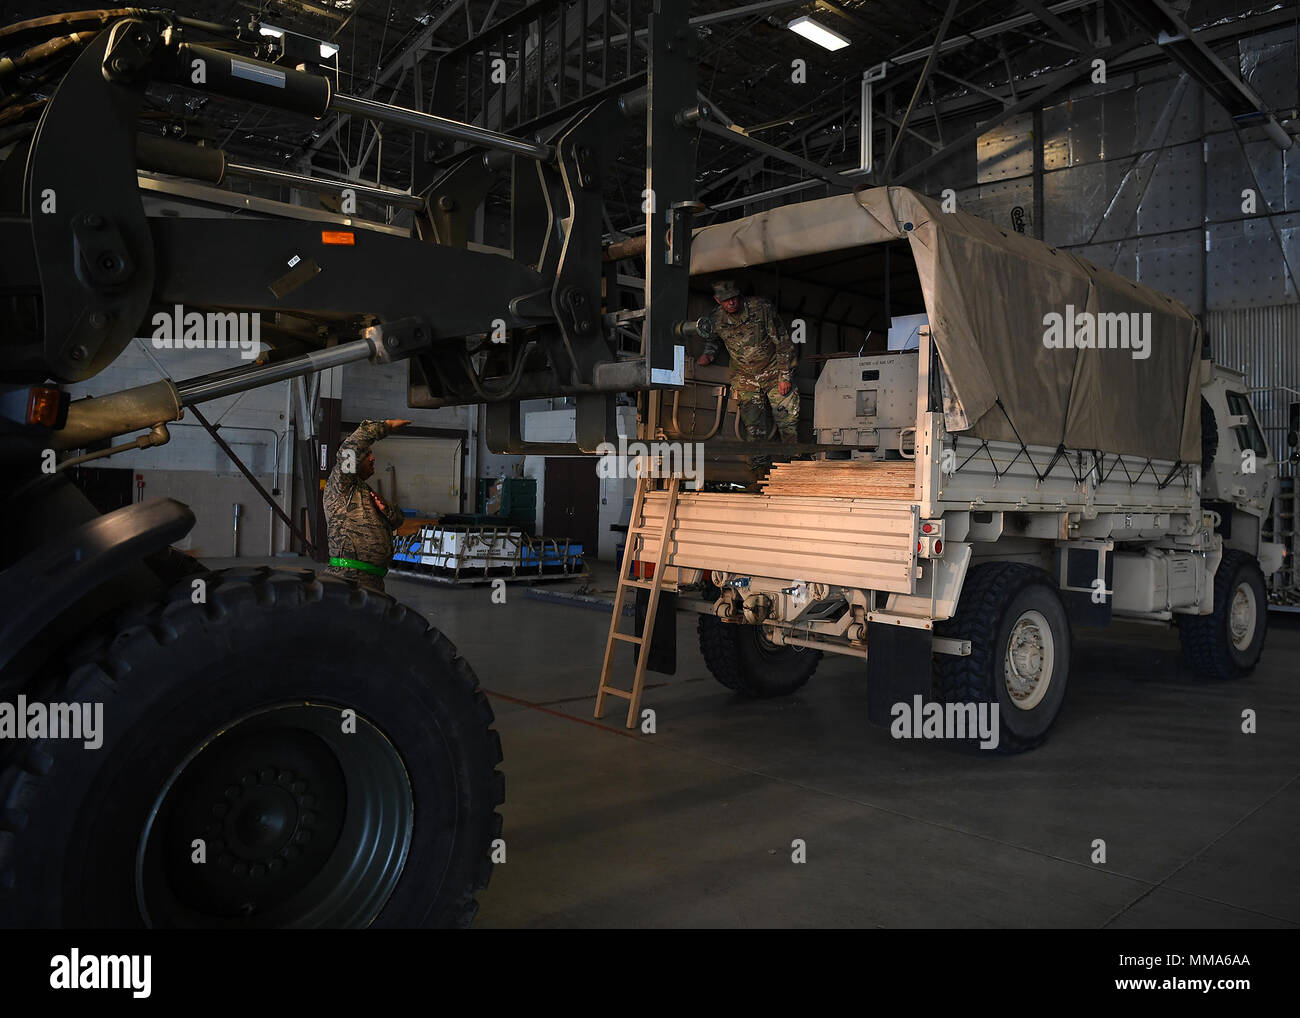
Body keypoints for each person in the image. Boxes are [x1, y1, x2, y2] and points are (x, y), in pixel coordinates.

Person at [696, 279, 799, 468]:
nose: (732, 303)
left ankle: (794, 465)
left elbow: (783, 342)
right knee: (753, 427)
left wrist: (784, 376)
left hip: (773, 372)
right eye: (727, 300)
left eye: (735, 298)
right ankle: (759, 470)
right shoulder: (716, 318)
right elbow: (714, 340)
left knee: (787, 421)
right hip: (745, 378)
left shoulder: (761, 308)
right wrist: (709, 355)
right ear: (718, 300)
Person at [323, 418, 410, 592]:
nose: (372, 458)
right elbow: (351, 447)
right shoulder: (342, 484)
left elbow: (398, 520)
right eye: (367, 454)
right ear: (353, 462)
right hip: (348, 578)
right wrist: (384, 427)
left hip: (371, 580)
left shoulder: (364, 491)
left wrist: (387, 509)